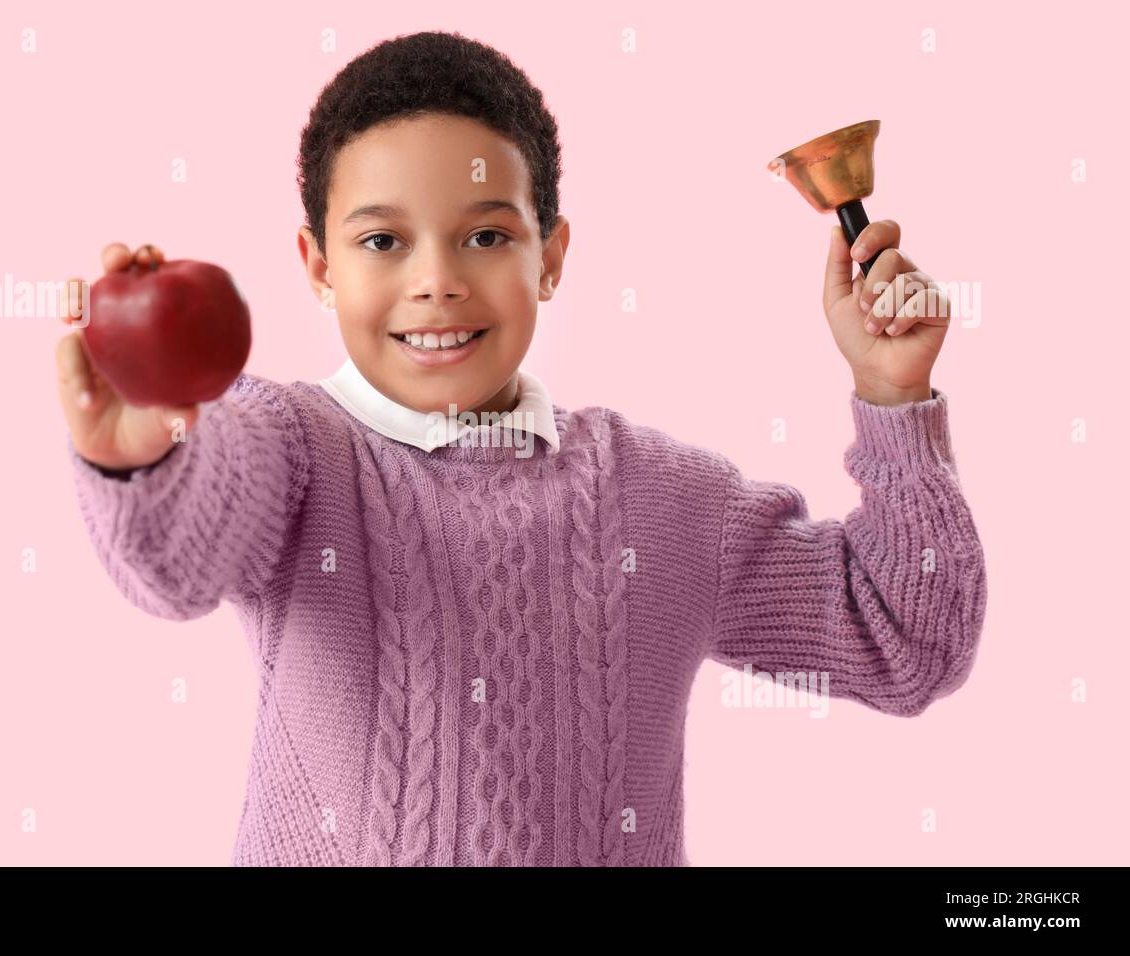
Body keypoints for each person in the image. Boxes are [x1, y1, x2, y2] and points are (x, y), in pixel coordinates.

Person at [54, 31, 986, 866]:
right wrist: (144, 450)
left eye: (487, 235)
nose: (437, 282)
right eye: (382, 240)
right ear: (318, 267)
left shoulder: (664, 502)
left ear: (551, 255)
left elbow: (905, 644)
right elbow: (177, 559)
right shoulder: (293, 449)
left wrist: (893, 397)